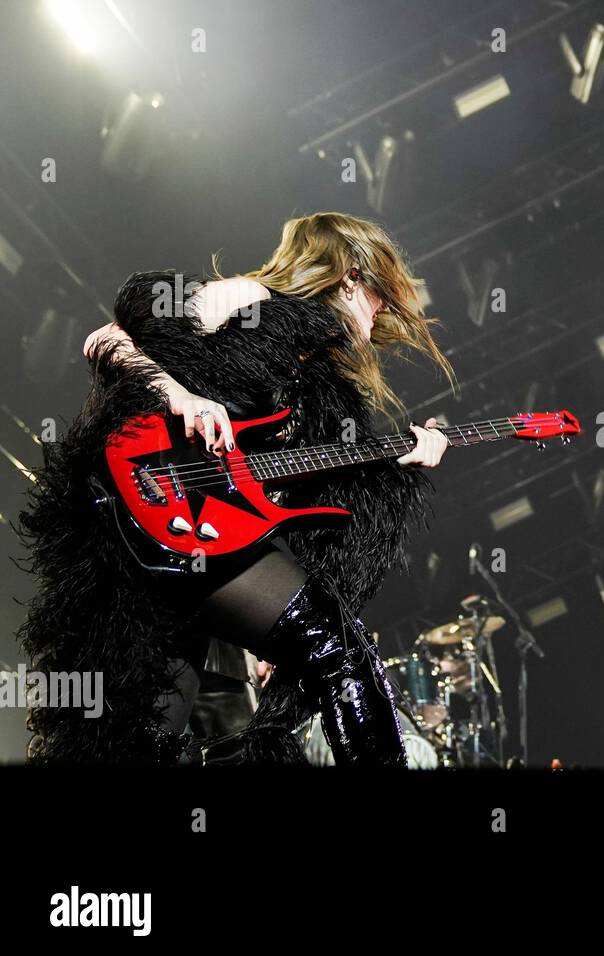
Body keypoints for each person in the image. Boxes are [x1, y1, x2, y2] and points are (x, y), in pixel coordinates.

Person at [17, 212, 453, 766]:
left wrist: (405, 461)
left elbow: (304, 496)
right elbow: (110, 339)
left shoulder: (315, 379)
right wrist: (181, 397)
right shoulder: (253, 298)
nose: (385, 308)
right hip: (156, 504)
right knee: (341, 655)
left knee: (140, 738)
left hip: (189, 538)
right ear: (348, 276)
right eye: (380, 293)